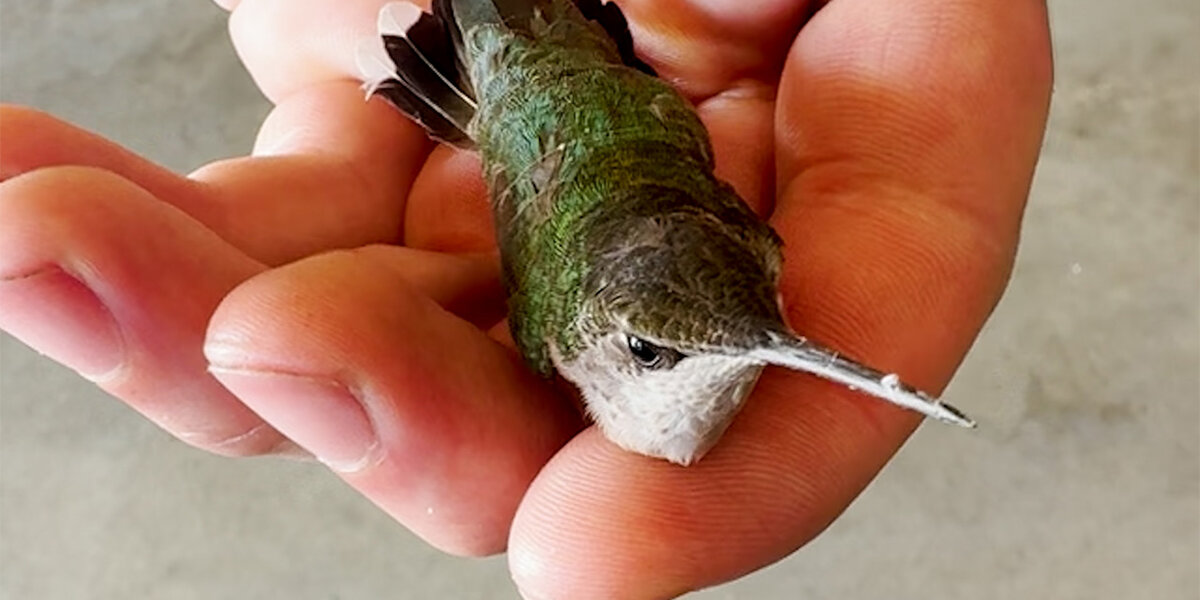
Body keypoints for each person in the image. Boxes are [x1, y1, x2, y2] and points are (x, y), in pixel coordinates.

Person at [0, 0, 1052, 597]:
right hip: (550, 103)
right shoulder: (553, 331)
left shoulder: (747, 268)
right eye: (654, 355)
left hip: (619, 102)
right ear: (590, 344)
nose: (771, 340)